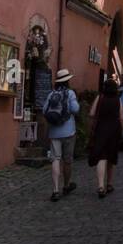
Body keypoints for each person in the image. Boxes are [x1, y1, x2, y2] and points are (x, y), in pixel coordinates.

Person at [44, 68, 80, 202]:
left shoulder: (51, 94)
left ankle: (55, 190)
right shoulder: (70, 93)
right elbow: (76, 109)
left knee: (55, 159)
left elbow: (44, 110)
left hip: (54, 132)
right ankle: (66, 185)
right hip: (69, 131)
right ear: (68, 81)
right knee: (67, 160)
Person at [87, 78, 123, 198]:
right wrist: (122, 131)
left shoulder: (100, 97)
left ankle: (100, 186)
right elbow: (122, 118)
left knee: (101, 156)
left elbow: (92, 113)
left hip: (101, 130)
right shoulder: (118, 100)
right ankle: (109, 184)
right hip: (114, 131)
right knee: (111, 157)